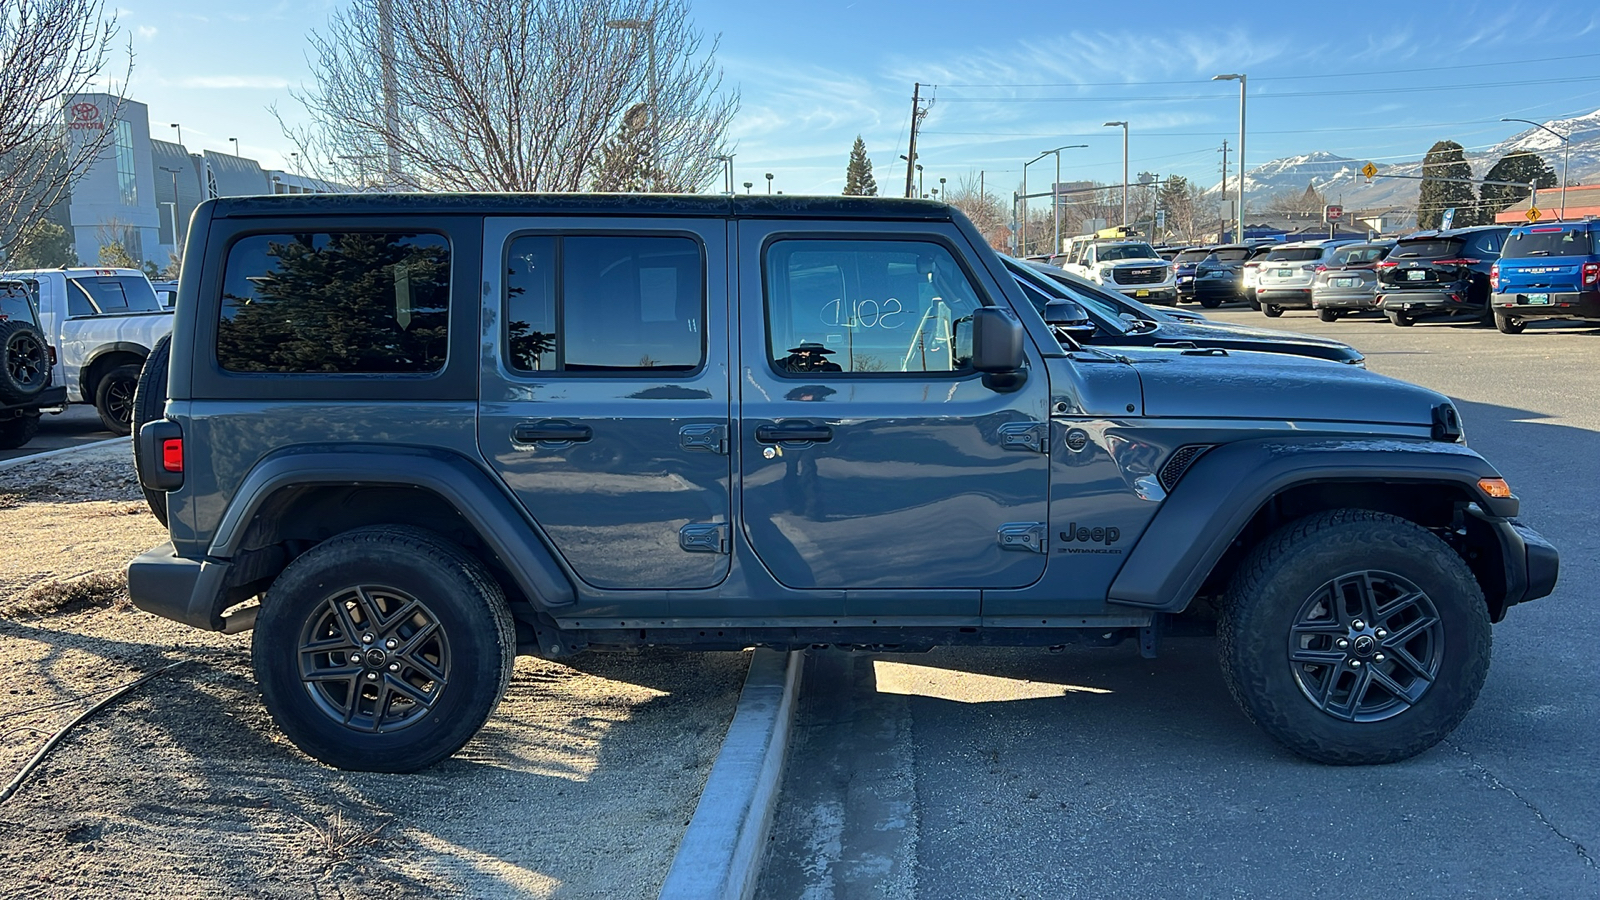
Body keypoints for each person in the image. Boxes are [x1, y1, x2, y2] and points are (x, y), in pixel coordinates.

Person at [778, 342, 843, 373]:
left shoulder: (830, 368)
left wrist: (825, 366)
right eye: (801, 352)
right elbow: (777, 365)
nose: (801, 354)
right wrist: (789, 359)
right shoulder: (790, 367)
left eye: (812, 353)